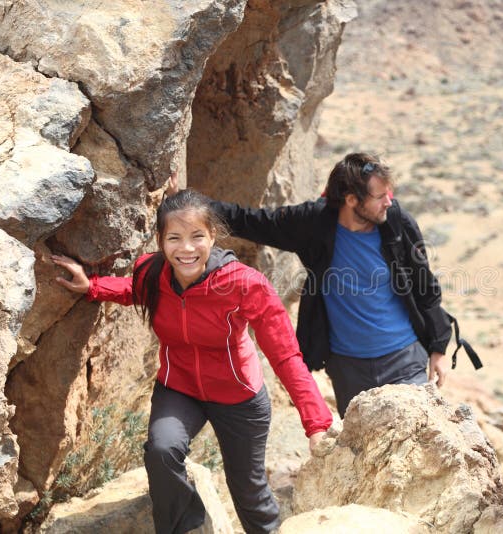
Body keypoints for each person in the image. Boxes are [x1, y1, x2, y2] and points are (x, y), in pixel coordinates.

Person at [52, 189, 332, 534]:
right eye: (175, 238)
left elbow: (285, 356)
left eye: (197, 236)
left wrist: (316, 423)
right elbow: (132, 289)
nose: (186, 249)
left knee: (248, 491)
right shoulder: (152, 273)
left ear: (212, 236)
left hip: (239, 397)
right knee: (161, 450)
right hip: (179, 388)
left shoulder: (244, 284)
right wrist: (92, 286)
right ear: (160, 240)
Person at [184, 152, 480, 418]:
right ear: (352, 199)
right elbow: (252, 221)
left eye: (389, 193)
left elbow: (425, 286)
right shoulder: (314, 223)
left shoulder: (396, 222)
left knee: (419, 437)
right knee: (364, 455)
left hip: (405, 360)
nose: (388, 201)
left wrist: (439, 349)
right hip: (347, 367)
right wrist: (189, 204)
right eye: (380, 196)